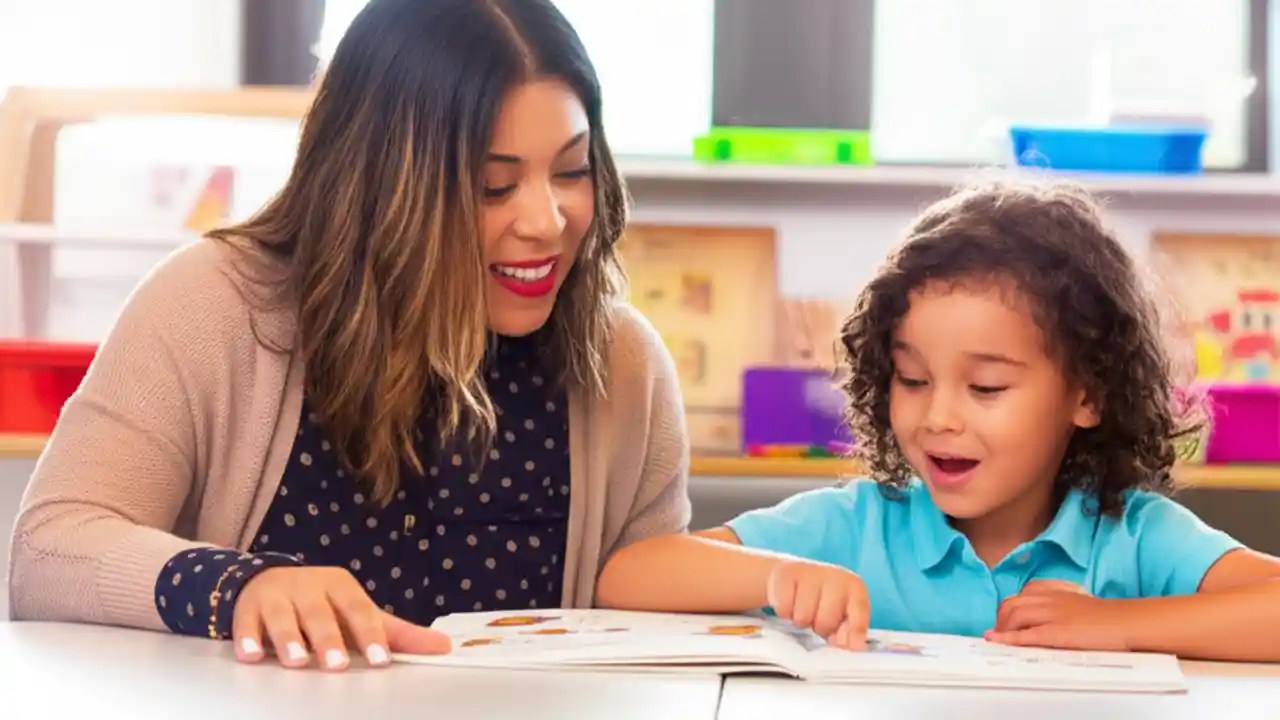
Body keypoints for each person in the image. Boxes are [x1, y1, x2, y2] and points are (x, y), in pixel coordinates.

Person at [9, 0, 691, 672]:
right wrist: (238, 584)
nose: (546, 221)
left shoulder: (624, 365)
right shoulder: (214, 306)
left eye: (571, 171)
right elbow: (49, 551)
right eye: (494, 186)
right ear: (381, 183)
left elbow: (653, 628)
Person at [596, 181, 1280, 662]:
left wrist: (1121, 624)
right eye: (913, 380)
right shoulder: (856, 527)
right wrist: (774, 578)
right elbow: (629, 575)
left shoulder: (1131, 539)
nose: (938, 417)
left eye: (986, 387)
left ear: (1088, 395)